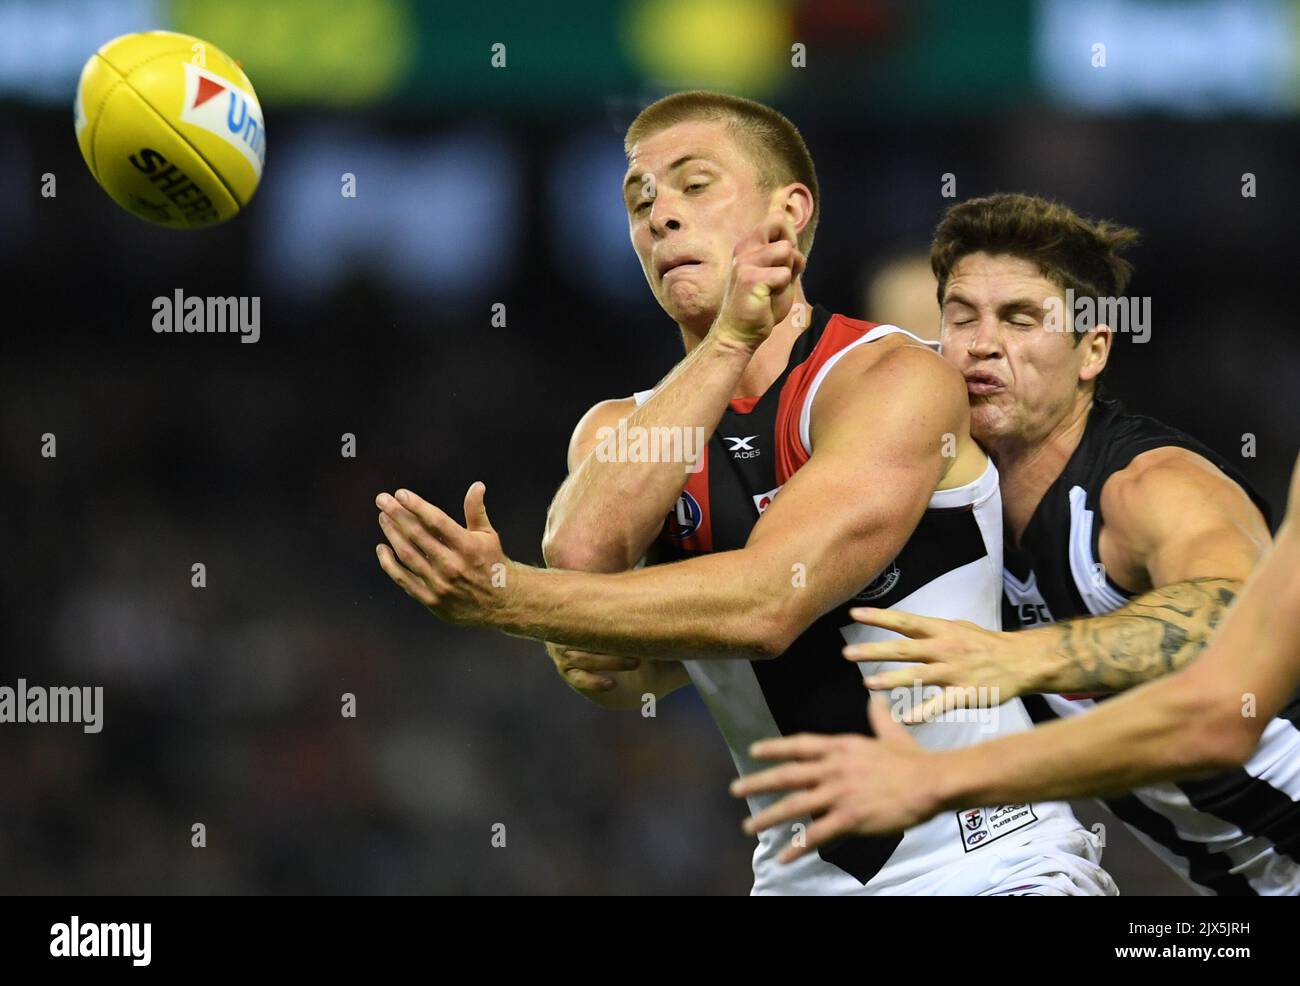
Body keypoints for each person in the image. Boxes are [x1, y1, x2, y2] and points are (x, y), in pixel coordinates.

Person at [374, 95, 1114, 894]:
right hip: (796, 881)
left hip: (991, 864)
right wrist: (611, 650)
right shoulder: (616, 430)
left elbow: (767, 605)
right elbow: (586, 573)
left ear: (788, 212)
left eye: (695, 186)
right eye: (639, 201)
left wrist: (505, 597)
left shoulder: (893, 380)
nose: (660, 217)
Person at [736, 194, 1299, 895]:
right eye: (961, 316)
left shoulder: (1150, 486)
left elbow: (1234, 618)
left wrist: (1016, 657)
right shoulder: (940, 503)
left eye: (1021, 319)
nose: (981, 343)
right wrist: (645, 655)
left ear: (1093, 348)